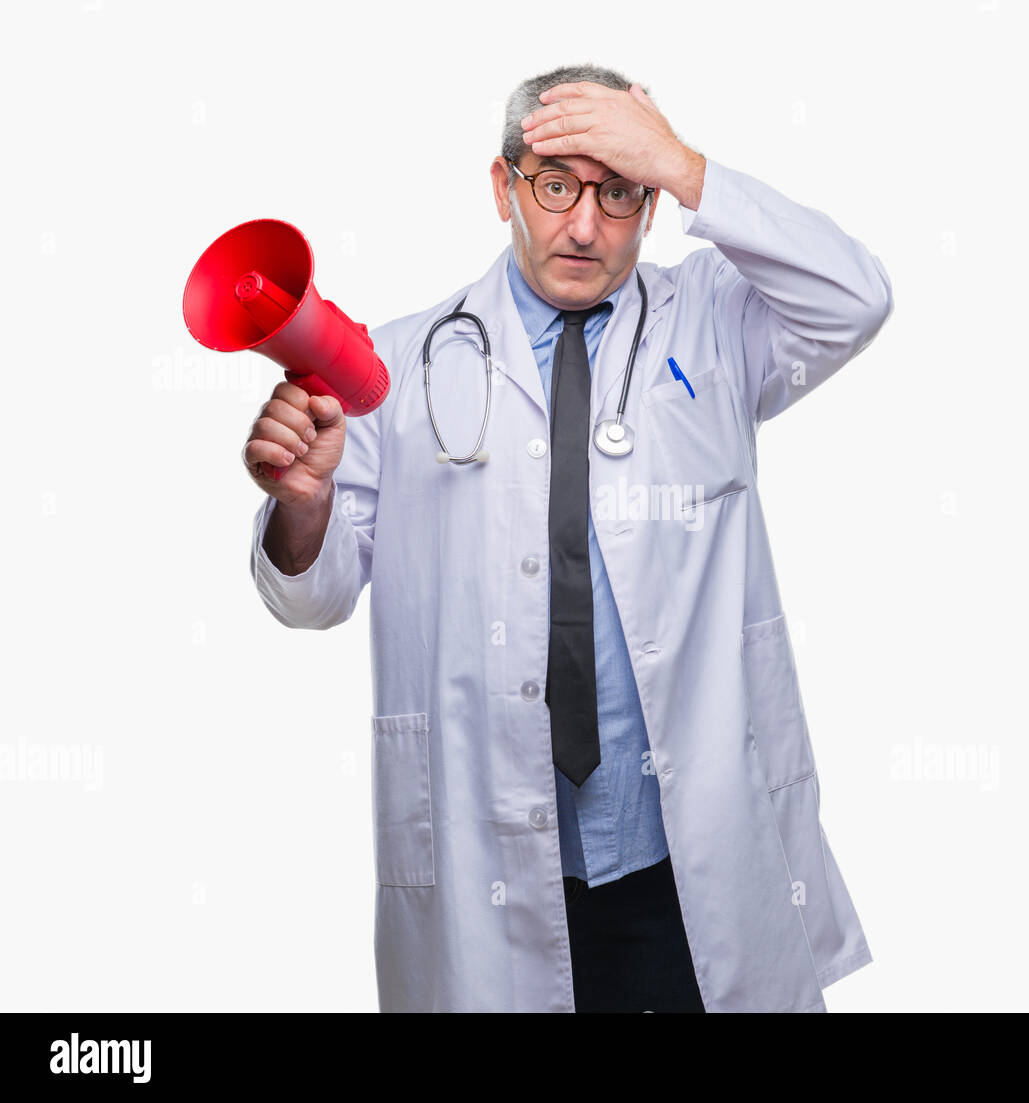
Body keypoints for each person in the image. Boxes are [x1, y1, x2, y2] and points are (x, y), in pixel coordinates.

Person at [245, 63, 893, 1012]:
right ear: (504, 187)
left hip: (685, 861)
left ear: (651, 201)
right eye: (556, 186)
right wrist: (303, 504)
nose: (584, 225)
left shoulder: (714, 322)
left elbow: (856, 299)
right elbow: (317, 592)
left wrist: (683, 162)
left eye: (619, 190)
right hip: (491, 865)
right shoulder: (397, 367)